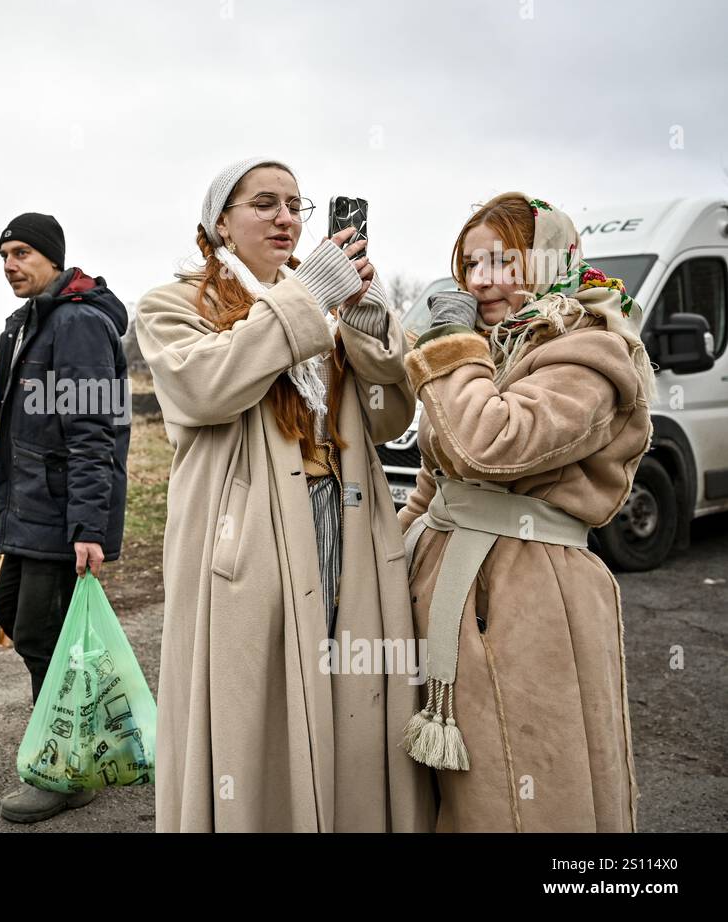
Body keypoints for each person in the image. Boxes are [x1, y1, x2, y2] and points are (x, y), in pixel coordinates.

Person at [135, 157, 435, 832]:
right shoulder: (173, 305)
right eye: (264, 203)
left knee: (347, 693)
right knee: (256, 703)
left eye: (296, 205)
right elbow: (204, 388)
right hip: (247, 536)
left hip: (348, 524)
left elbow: (388, 417)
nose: (286, 218)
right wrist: (307, 295)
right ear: (220, 223)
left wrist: (364, 321)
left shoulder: (323, 307)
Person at [399, 193, 655, 832]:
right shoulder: (489, 349)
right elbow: (436, 478)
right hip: (442, 585)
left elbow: (489, 445)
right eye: (470, 264)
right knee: (446, 795)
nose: (481, 282)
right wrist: (387, 561)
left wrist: (452, 345)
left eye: (503, 262)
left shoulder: (592, 352)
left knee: (522, 784)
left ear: (545, 261)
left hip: (528, 596)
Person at [0, 211, 131, 824]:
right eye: (4, 256)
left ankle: (66, 771)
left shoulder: (75, 324)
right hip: (32, 511)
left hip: (62, 515)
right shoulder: (32, 324)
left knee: (46, 636)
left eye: (21, 253)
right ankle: (79, 746)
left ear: (52, 256)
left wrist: (89, 527)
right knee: (15, 617)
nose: (11, 266)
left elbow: (94, 432)